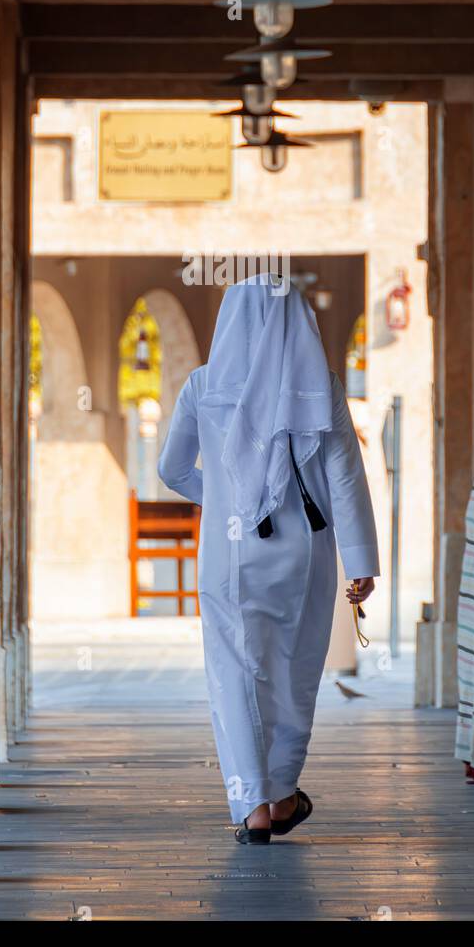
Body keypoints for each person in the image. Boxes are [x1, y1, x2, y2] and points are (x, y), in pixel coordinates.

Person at [158, 274, 379, 844]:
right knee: (292, 673)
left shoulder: (202, 386)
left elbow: (171, 469)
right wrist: (362, 563)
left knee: (233, 675)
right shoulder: (318, 386)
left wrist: (229, 498)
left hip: (228, 557)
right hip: (303, 558)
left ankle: (252, 805)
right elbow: (345, 478)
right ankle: (281, 795)